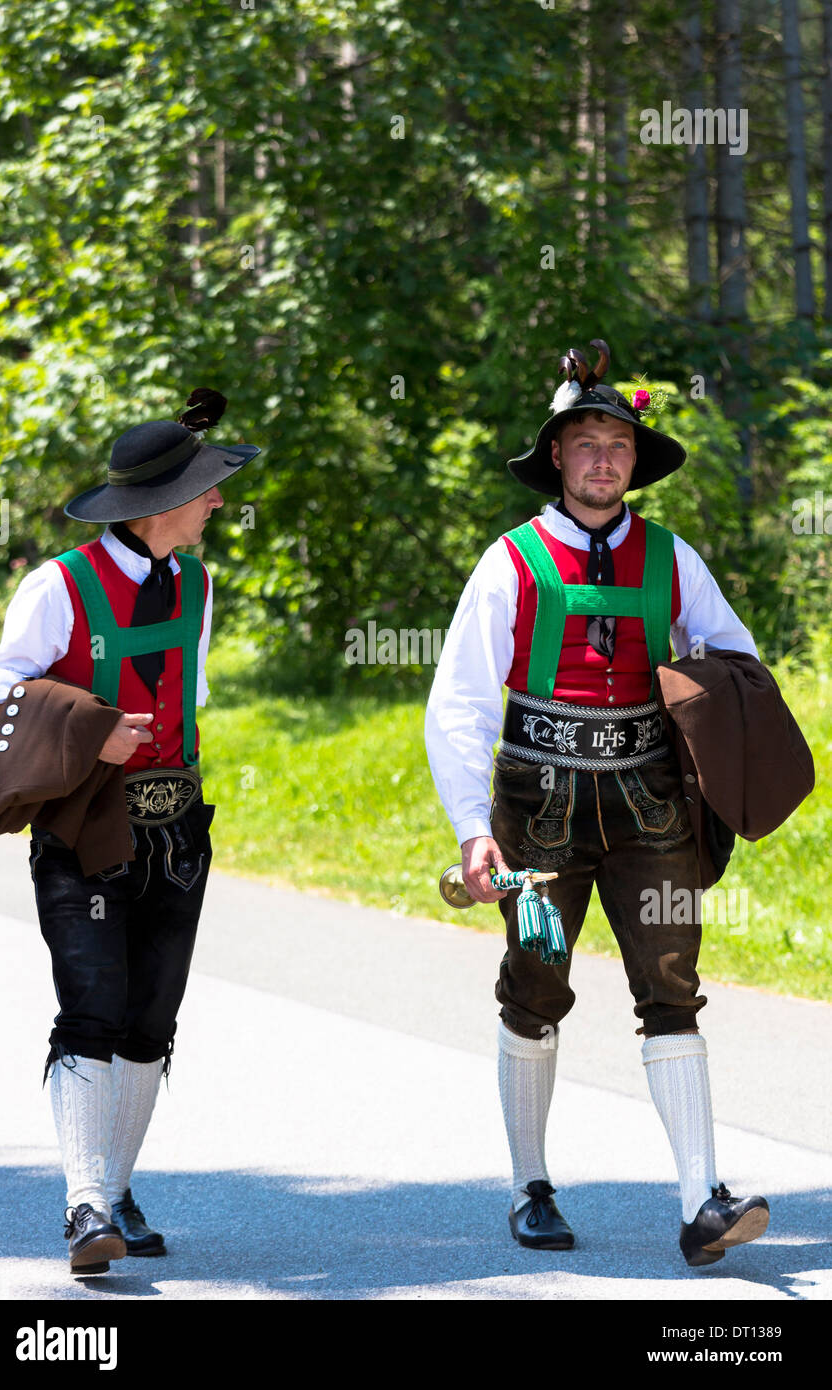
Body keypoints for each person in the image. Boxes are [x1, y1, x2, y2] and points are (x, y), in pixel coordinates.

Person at [424, 340, 771, 1268]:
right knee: (537, 986)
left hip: (652, 801)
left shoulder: (673, 557)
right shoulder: (511, 562)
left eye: (618, 440)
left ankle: (702, 1200)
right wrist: (470, 830)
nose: (604, 457)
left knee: (672, 982)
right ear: (557, 458)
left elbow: (735, 662)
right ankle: (529, 1185)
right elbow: (458, 703)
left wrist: (715, 734)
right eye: (585, 440)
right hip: (535, 807)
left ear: (633, 458)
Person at [0, 389, 260, 1274]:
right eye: (207, 489)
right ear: (160, 506)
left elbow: (191, 697)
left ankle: (116, 1185)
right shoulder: (54, 586)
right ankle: (85, 1205)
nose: (218, 502)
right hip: (85, 827)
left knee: (150, 1022)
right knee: (92, 1010)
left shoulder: (199, 583)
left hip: (179, 828)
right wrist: (93, 726)